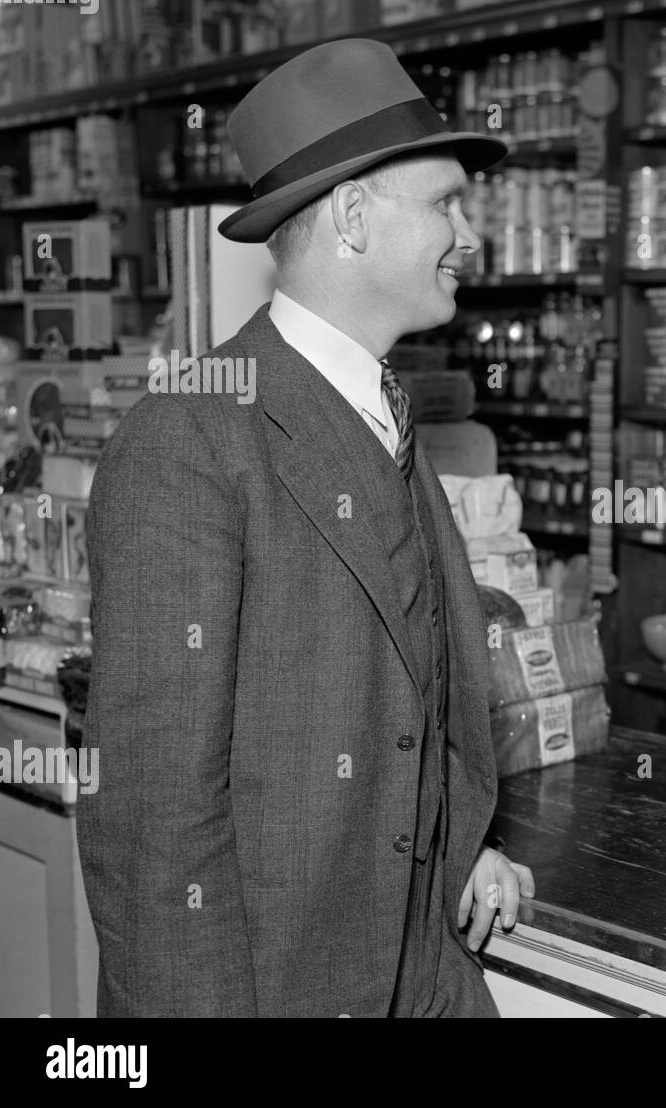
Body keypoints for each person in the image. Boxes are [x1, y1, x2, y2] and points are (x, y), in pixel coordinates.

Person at [79, 38, 534, 1017]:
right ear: (355, 218)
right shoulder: (188, 439)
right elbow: (152, 827)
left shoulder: (382, 408)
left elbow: (399, 696)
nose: (470, 233)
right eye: (446, 203)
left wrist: (459, 848)